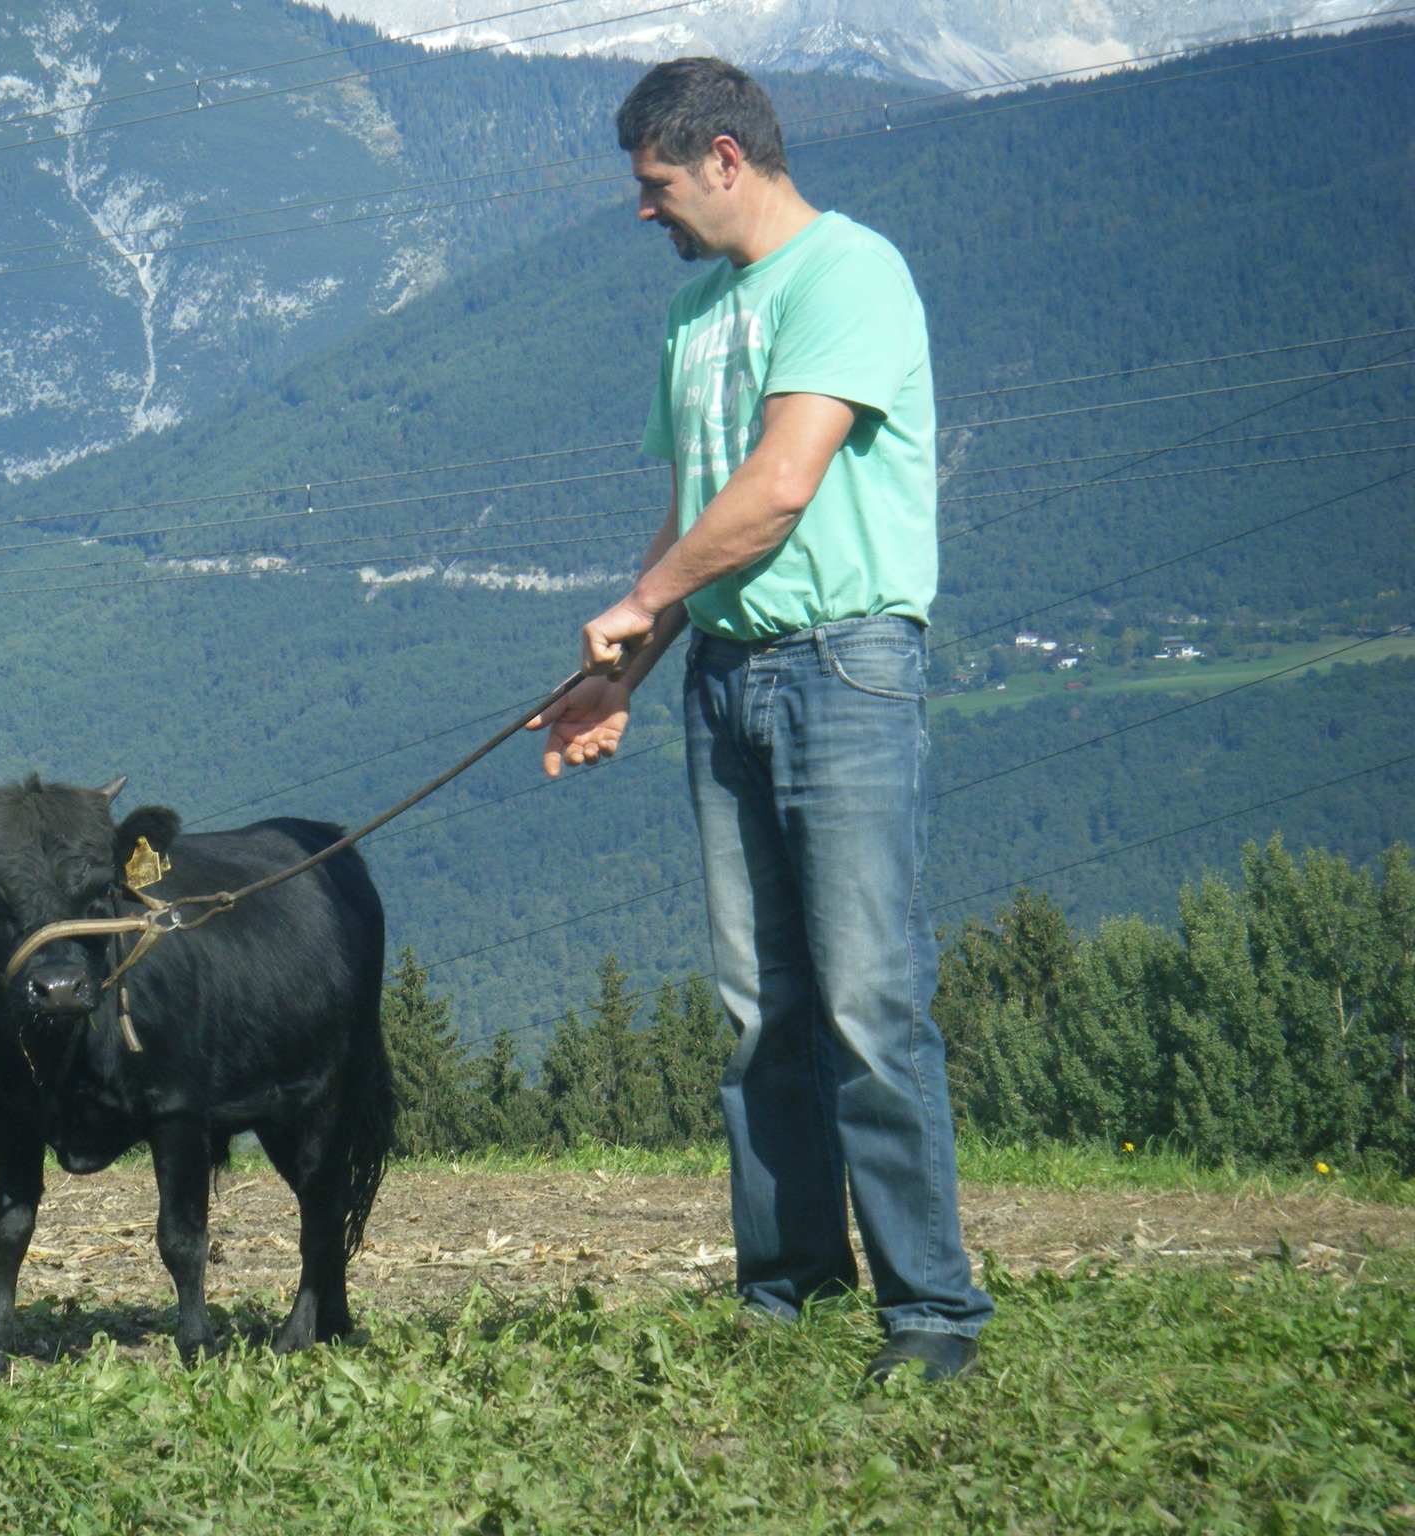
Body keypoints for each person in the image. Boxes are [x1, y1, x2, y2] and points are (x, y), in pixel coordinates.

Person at [534, 57, 993, 1381]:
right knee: (761, 1006)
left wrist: (635, 603)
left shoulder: (851, 275)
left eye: (656, 183)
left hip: (846, 667)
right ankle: (787, 1282)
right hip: (724, 674)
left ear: (725, 158)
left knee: (867, 999)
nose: (645, 212)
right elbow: (696, 518)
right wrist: (625, 664)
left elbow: (784, 486)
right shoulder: (693, 313)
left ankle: (932, 1315)